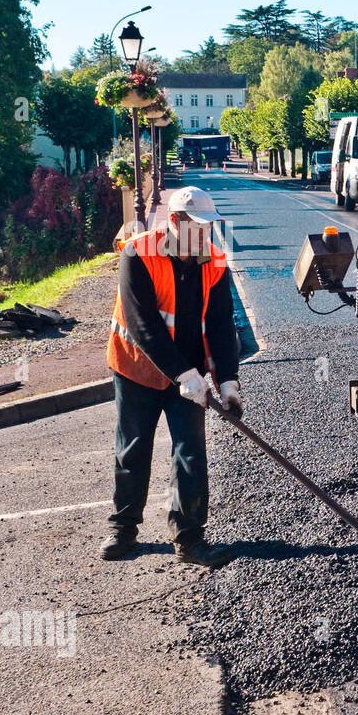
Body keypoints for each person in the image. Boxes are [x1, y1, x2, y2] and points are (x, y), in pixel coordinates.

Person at [101, 186, 242, 568]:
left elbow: (220, 323)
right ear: (176, 222)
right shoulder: (137, 253)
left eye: (209, 227)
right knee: (133, 447)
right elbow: (142, 324)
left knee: (190, 451)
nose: (205, 235)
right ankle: (124, 528)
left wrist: (227, 379)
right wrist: (184, 374)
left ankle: (189, 538)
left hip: (191, 372)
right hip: (137, 367)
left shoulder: (212, 260)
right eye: (198, 226)